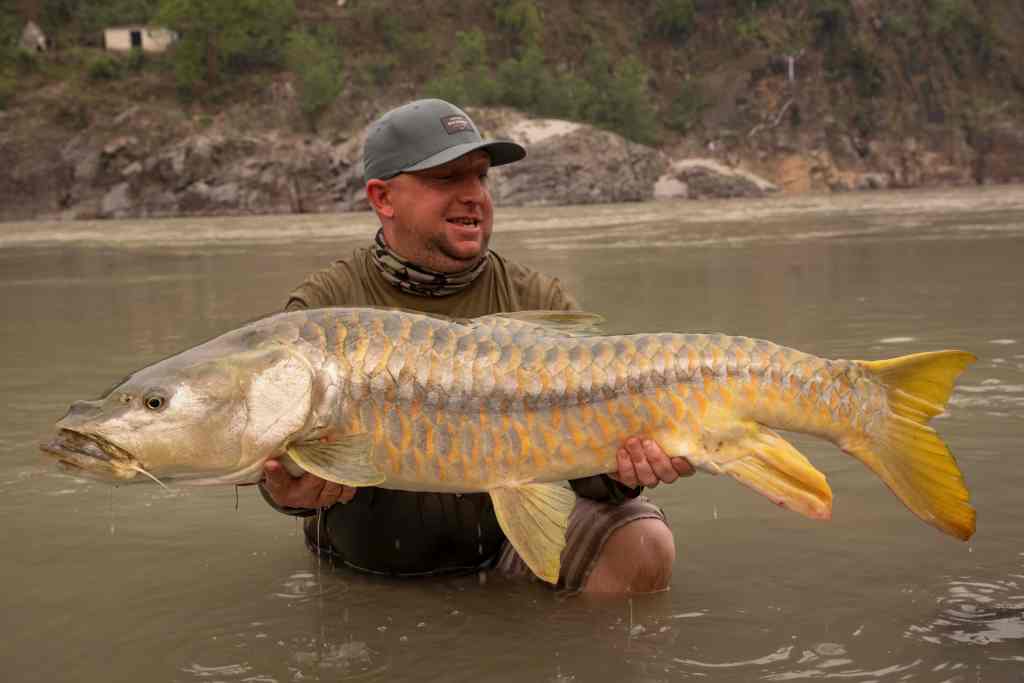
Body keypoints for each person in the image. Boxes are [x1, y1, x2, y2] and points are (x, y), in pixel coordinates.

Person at [259, 99, 694, 594]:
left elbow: (582, 473)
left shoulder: (535, 298)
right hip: (370, 562)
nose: (475, 197)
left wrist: (627, 468)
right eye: (447, 179)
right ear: (383, 198)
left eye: (481, 178)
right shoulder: (324, 308)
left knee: (643, 543)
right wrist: (288, 493)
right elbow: (273, 461)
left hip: (503, 551)